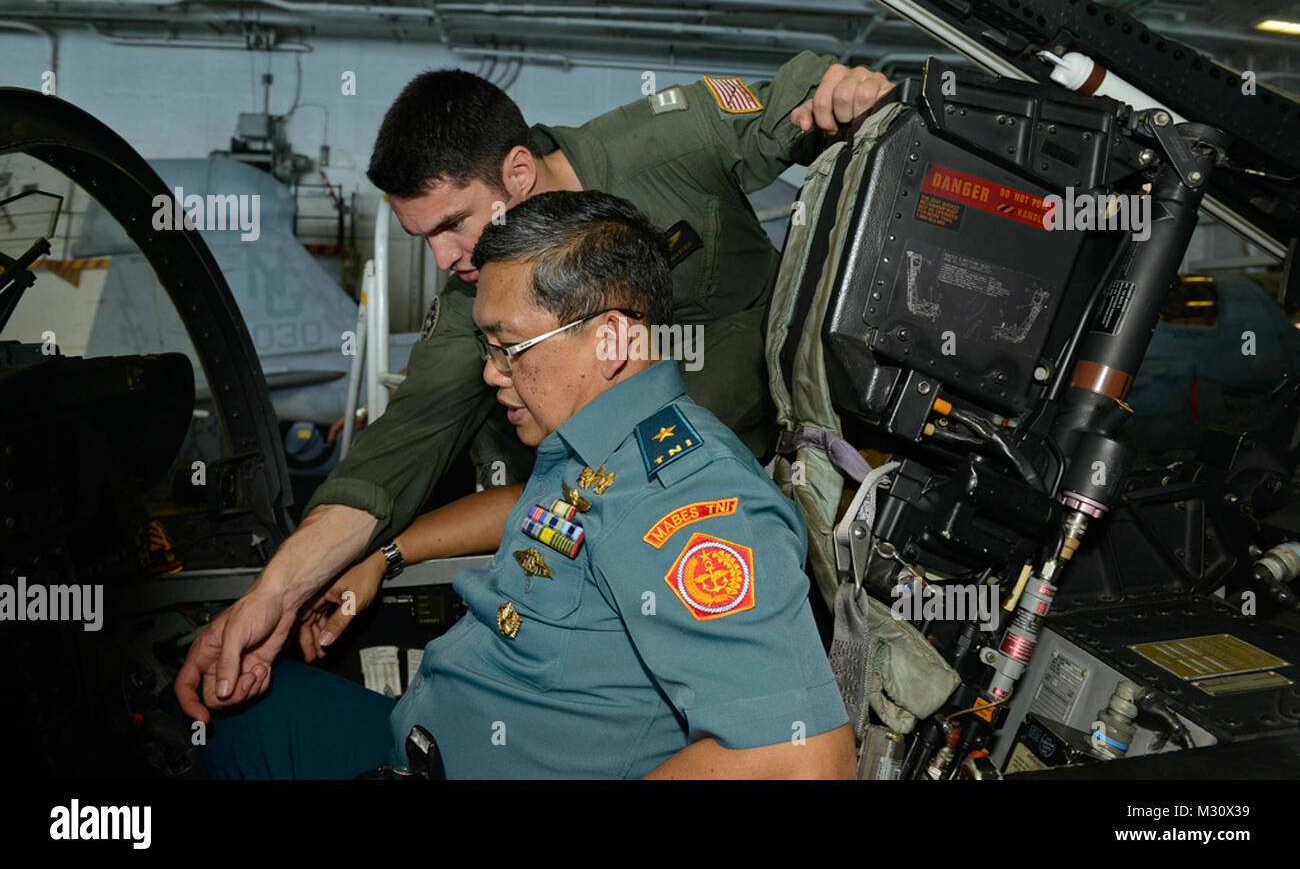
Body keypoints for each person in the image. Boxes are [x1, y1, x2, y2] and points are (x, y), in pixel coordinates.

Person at [175, 53, 892, 715]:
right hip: (642, 510)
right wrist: (272, 595)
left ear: (519, 171)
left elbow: (789, 109)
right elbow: (400, 448)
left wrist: (847, 94)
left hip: (793, 457)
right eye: (423, 236)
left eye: (452, 223)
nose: (445, 259)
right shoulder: (480, 295)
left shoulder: (664, 146)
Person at [176, 191, 853, 778]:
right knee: (246, 713)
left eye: (510, 348)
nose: (493, 374)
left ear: (611, 340)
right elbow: (540, 512)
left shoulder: (695, 506)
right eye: (486, 347)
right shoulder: (595, 438)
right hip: (413, 739)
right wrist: (385, 556)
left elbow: (801, 760)